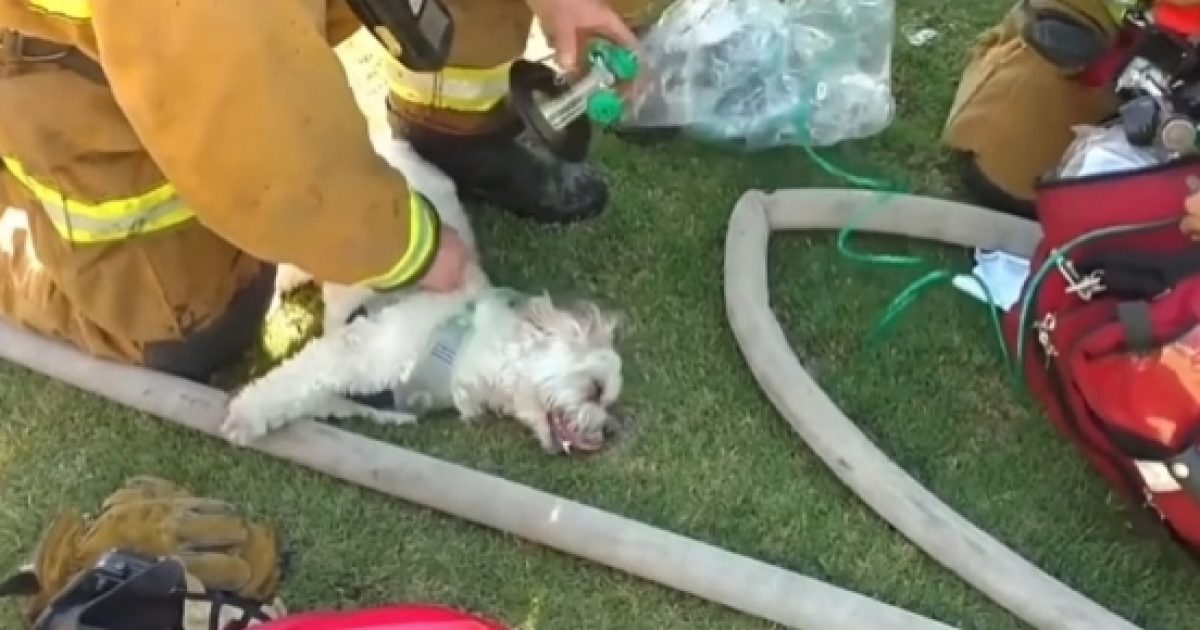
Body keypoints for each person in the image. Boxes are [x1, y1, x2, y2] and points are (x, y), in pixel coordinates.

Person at [0, 0, 660, 383]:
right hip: (72, 49)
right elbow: (263, 141)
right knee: (190, 329)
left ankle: (453, 126)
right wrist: (407, 248)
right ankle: (23, 240)